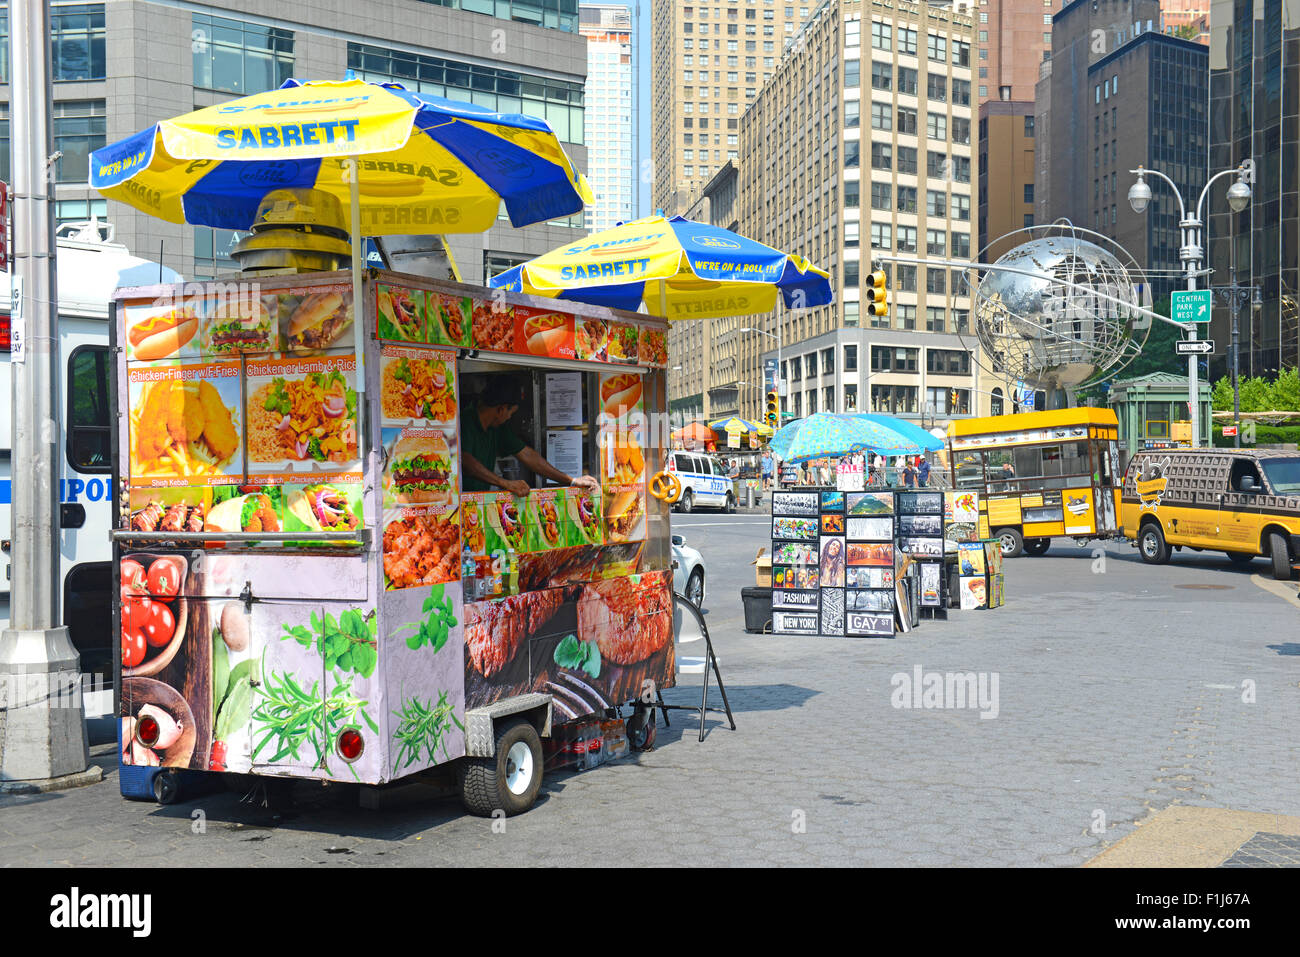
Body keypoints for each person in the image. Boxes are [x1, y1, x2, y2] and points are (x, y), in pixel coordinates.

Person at [461, 378, 599, 495]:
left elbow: (527, 455)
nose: (509, 418)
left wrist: (572, 481)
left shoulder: (496, 428)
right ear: (501, 409)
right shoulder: (464, 421)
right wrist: (504, 483)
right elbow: (466, 462)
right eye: (511, 413)